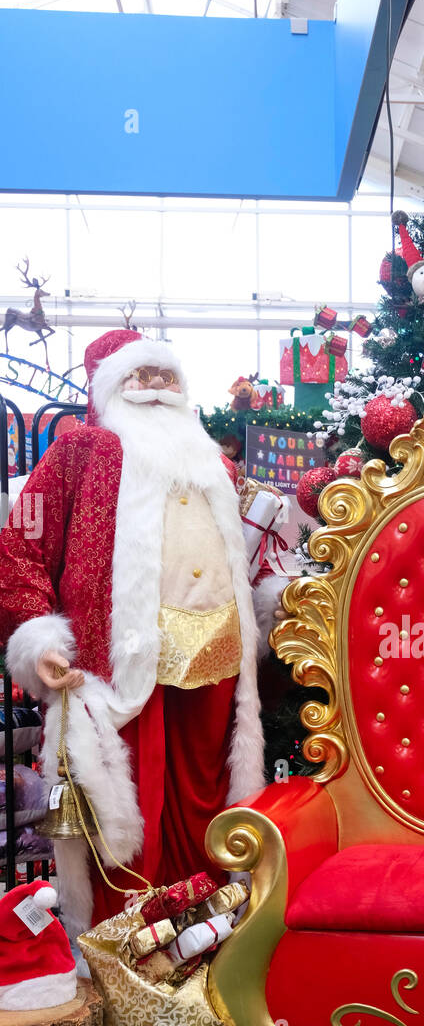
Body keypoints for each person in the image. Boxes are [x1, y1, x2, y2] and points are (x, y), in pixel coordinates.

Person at [0, 329, 285, 942]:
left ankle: (209, 930)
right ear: (110, 384)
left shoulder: (215, 463)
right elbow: (21, 546)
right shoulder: (82, 452)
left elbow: (249, 554)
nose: (156, 388)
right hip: (124, 661)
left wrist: (276, 601)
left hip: (219, 657)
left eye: (166, 376)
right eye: (141, 376)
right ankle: (127, 942)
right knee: (130, 804)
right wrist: (40, 637)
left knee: (210, 796)